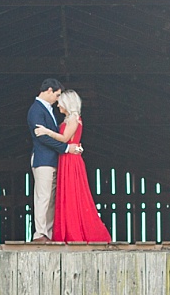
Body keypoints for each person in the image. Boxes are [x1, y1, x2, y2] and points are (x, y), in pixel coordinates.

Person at [35, 90, 111, 243]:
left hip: (70, 160)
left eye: (60, 102)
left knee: (72, 194)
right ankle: (67, 230)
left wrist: (45, 132)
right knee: (66, 195)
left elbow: (64, 138)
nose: (58, 105)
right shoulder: (69, 119)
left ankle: (74, 231)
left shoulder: (74, 119)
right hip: (66, 158)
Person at [27, 78, 79, 242]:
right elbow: (40, 136)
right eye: (57, 95)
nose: (58, 99)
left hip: (52, 160)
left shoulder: (46, 109)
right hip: (43, 160)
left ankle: (47, 233)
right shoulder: (36, 110)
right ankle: (40, 233)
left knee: (50, 199)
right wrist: (64, 149)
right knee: (43, 197)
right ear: (49, 90)